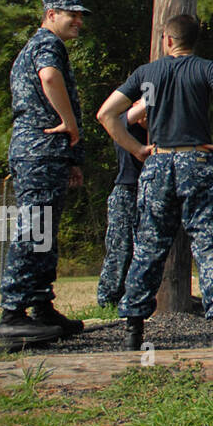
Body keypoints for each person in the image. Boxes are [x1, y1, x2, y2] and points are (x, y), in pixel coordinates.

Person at [96, 13, 213, 349]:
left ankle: (133, 329)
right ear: (194, 41)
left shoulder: (147, 73)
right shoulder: (207, 69)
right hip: (197, 160)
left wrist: (137, 148)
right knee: (209, 244)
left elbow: (106, 114)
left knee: (149, 247)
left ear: (167, 39)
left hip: (159, 162)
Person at [0, 0, 92, 351]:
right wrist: (70, 123)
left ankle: (41, 308)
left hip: (44, 153)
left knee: (44, 231)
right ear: (51, 14)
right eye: (73, 15)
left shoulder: (38, 45)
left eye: (82, 16)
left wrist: (71, 159)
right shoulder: (48, 45)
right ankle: (12, 316)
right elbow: (50, 78)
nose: (79, 21)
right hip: (39, 149)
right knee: (35, 226)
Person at [96, 99, 149, 307]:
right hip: (125, 192)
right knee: (120, 249)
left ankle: (134, 296)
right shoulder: (122, 125)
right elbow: (130, 115)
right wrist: (154, 93)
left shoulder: (157, 132)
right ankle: (107, 299)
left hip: (147, 193)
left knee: (143, 250)